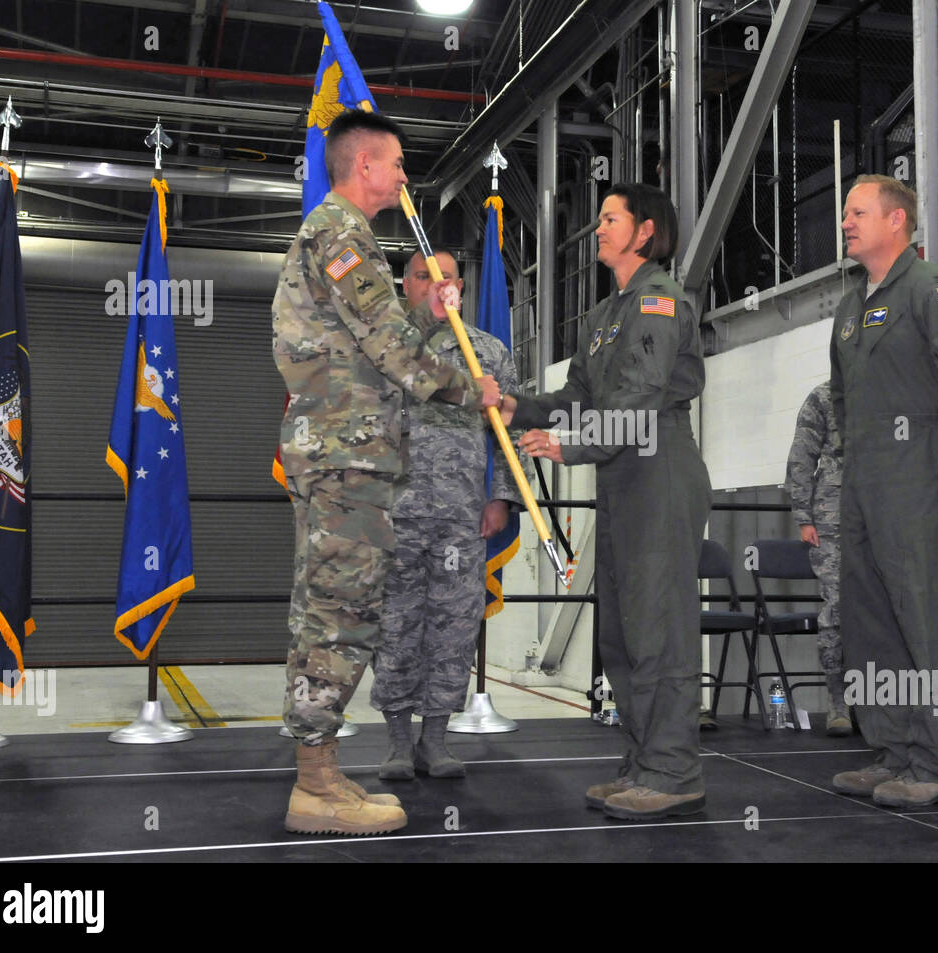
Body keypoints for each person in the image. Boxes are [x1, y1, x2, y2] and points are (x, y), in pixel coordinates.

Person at [273, 110, 499, 835]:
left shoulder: (339, 233)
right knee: (339, 611)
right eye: (396, 163)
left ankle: (321, 771)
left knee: (332, 607)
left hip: (347, 450)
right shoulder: (342, 235)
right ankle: (315, 785)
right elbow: (395, 346)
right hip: (347, 453)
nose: (404, 176)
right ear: (364, 165)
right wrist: (475, 389)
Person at [499, 183, 712, 820]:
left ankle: (674, 770)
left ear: (645, 232)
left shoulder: (659, 301)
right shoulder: (603, 317)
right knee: (621, 633)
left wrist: (570, 449)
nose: (597, 229)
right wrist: (516, 407)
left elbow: (639, 403)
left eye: (610, 219)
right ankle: (645, 760)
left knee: (660, 630)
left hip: (659, 467)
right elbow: (577, 399)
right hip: (621, 475)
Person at [829, 174, 938, 807]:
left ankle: (933, 759)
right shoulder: (853, 306)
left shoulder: (934, 289)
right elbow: (843, 399)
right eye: (845, 211)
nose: (845, 220)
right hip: (866, 482)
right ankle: (893, 750)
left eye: (858, 211)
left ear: (896, 221)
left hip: (926, 479)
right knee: (874, 620)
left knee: (927, 619)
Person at [370, 248, 521, 780]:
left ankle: (435, 740)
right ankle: (395, 742)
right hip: (394, 513)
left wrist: (500, 496)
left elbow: (508, 434)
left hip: (463, 516)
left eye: (448, 278)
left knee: (453, 628)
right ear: (404, 284)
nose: (437, 286)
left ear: (461, 286)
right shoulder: (385, 348)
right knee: (395, 626)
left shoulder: (488, 352)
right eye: (423, 277)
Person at [785, 381, 852, 736]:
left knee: (884, 608)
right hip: (833, 514)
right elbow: (802, 455)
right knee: (838, 605)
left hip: (884, 515)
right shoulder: (825, 396)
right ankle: (838, 702)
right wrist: (804, 516)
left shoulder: (891, 387)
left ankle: (879, 702)